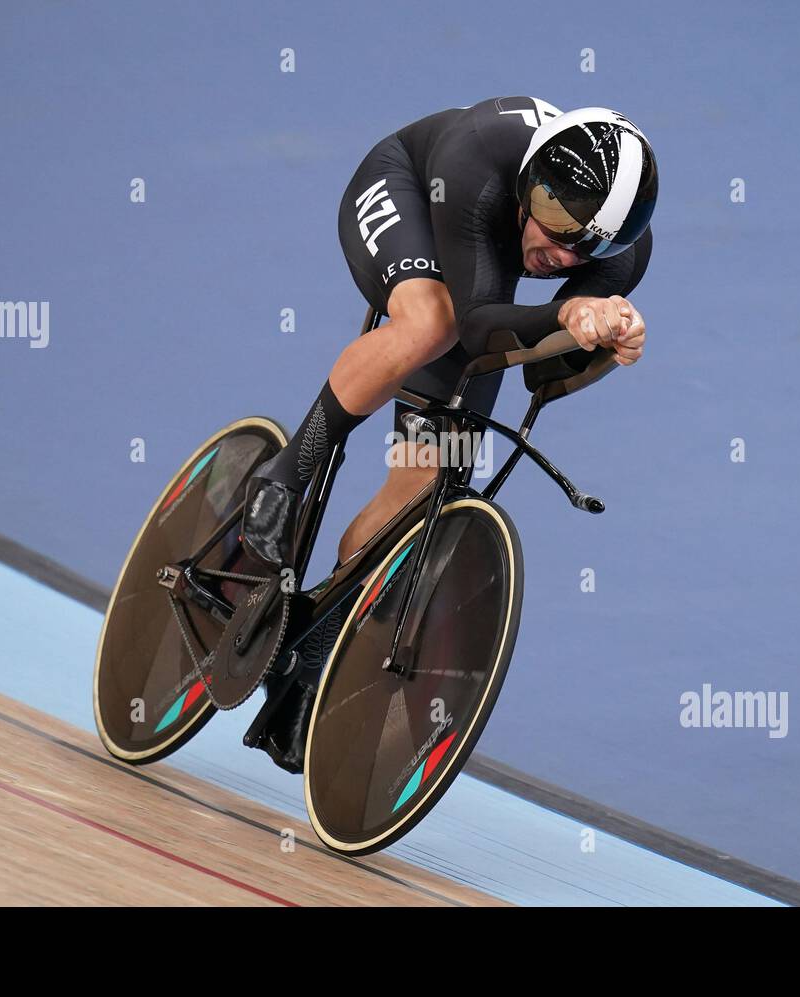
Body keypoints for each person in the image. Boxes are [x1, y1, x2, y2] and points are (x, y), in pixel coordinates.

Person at [246, 96, 658, 772]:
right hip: (409, 190)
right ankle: (284, 476)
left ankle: (315, 645)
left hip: (481, 280)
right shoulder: (480, 160)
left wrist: (604, 344)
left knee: (427, 489)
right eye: (554, 219)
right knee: (430, 323)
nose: (558, 253)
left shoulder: (618, 258)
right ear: (533, 183)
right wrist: (568, 310)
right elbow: (474, 328)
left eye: (585, 246)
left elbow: (536, 371)